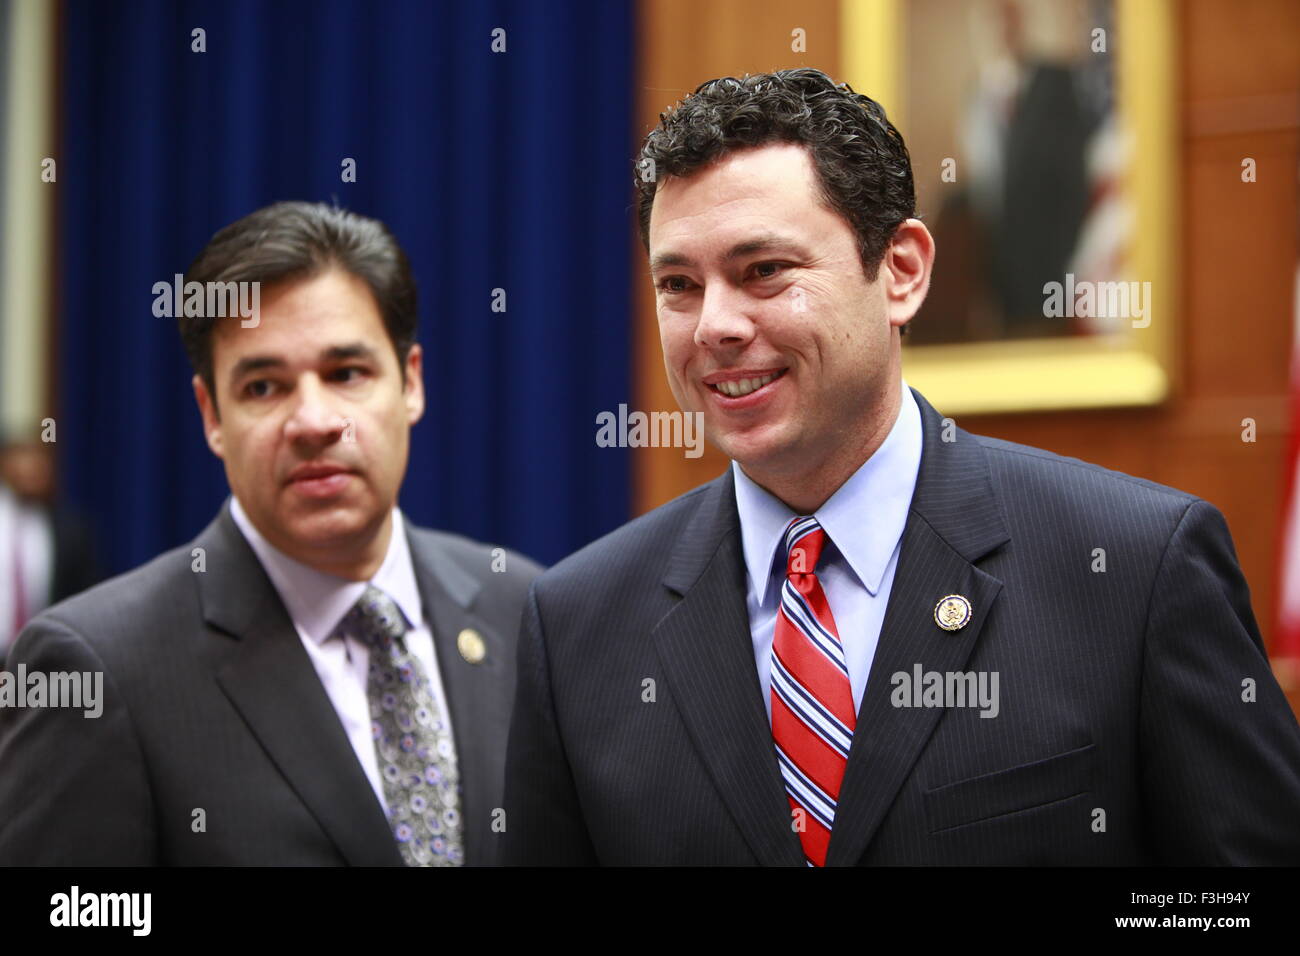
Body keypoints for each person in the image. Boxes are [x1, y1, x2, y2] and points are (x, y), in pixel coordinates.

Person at [500, 68, 1300, 865]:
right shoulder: (576, 628)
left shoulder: (1134, 570)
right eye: (678, 284)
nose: (715, 325)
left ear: (904, 272)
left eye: (764, 271)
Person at [0, 202, 541, 865]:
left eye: (346, 374)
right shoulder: (101, 665)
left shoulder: (522, 607)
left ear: (411, 383)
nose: (313, 420)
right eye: (264, 386)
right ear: (212, 415)